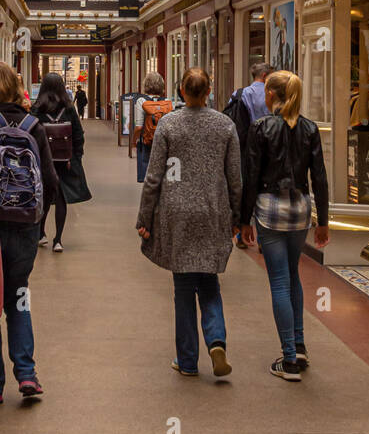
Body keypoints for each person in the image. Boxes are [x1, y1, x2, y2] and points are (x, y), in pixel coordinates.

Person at [136, 67, 241, 379]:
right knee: (209, 282)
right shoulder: (225, 126)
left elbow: (154, 176)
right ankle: (217, 340)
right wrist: (237, 216)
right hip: (213, 210)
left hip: (177, 212)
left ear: (182, 90)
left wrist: (145, 217)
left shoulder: (169, 124)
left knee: (183, 288)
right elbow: (235, 177)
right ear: (208, 91)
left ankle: (187, 360)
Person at [0, 61, 59, 403]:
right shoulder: (33, 125)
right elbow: (50, 181)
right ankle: (27, 374)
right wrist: (38, 221)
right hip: (25, 226)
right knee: (19, 297)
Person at [242, 70, 329, 381]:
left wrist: (243, 219)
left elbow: (251, 176)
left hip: (270, 208)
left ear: (270, 95)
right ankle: (300, 345)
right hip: (301, 209)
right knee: (293, 275)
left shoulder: (261, 128)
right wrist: (324, 221)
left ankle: (289, 358)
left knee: (278, 281)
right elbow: (319, 176)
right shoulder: (309, 129)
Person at [33, 71, 90, 250]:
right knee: (61, 199)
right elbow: (78, 135)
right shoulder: (69, 109)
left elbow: (31, 135)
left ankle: (41, 233)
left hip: (44, 161)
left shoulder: (37, 109)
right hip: (65, 161)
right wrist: (75, 158)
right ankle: (58, 239)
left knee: (44, 196)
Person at [224, 60, 271, 247]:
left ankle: (240, 234)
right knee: (262, 189)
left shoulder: (240, 94)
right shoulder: (272, 94)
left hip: (244, 147)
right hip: (267, 146)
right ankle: (262, 238)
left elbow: (230, 119)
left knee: (244, 188)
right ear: (266, 76)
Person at [133, 70, 173, 184]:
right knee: (163, 173)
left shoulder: (141, 101)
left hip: (146, 141)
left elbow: (139, 127)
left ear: (146, 85)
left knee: (147, 176)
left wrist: (133, 141)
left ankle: (150, 195)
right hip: (164, 142)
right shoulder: (167, 102)